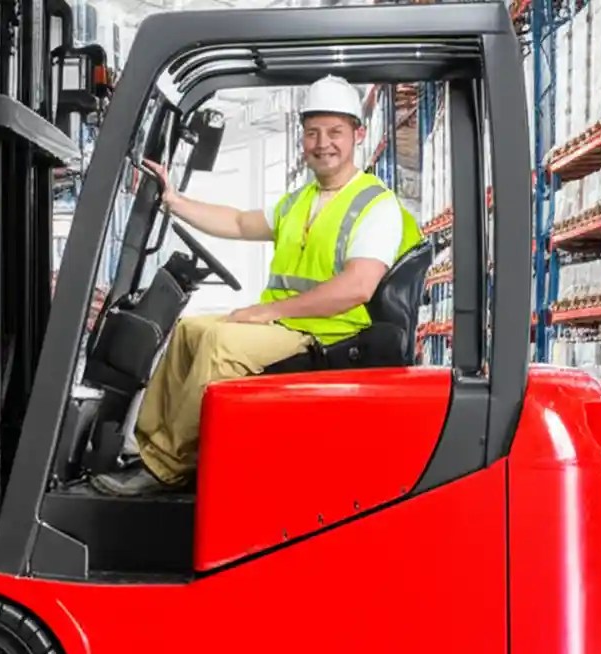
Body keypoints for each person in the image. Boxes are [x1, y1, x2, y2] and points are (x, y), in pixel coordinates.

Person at [90, 74, 423, 496]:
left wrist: (267, 312)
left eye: (335, 132)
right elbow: (238, 222)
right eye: (313, 133)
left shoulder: (375, 205)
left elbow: (357, 286)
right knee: (191, 330)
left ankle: (168, 469)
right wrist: (174, 201)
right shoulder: (302, 200)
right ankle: (150, 452)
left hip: (331, 332)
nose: (323, 143)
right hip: (290, 325)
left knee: (221, 345)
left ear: (357, 135)